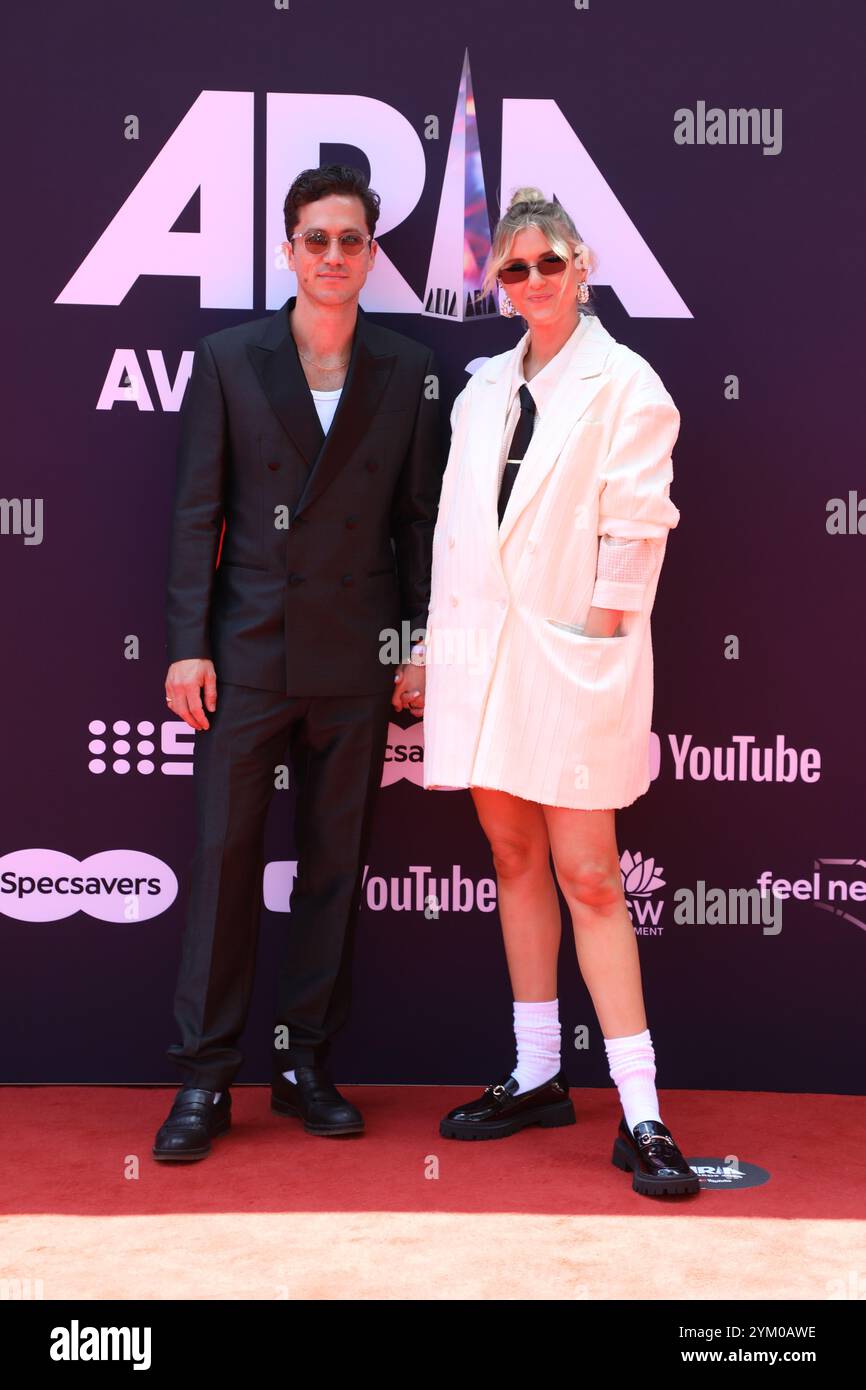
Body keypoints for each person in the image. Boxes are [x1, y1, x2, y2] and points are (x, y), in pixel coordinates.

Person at [153, 164, 443, 1162]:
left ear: (369, 254)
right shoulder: (230, 358)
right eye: (315, 239)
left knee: (333, 867)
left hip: (358, 657)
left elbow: (417, 525)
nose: (332, 256)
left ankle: (305, 1066)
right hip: (246, 653)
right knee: (226, 861)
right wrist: (187, 642)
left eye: (350, 240)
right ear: (288, 251)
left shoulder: (407, 370)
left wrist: (413, 646)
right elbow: (199, 512)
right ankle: (202, 1079)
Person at [418, 186, 699, 1198]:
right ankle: (536, 1070)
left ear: (581, 268)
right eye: (512, 268)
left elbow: (636, 530)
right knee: (510, 853)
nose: (530, 280)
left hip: (571, 663)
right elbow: (458, 531)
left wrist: (598, 641)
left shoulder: (628, 383)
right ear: (496, 284)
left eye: (547, 262)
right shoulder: (481, 384)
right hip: (480, 659)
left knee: (589, 874)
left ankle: (642, 1108)